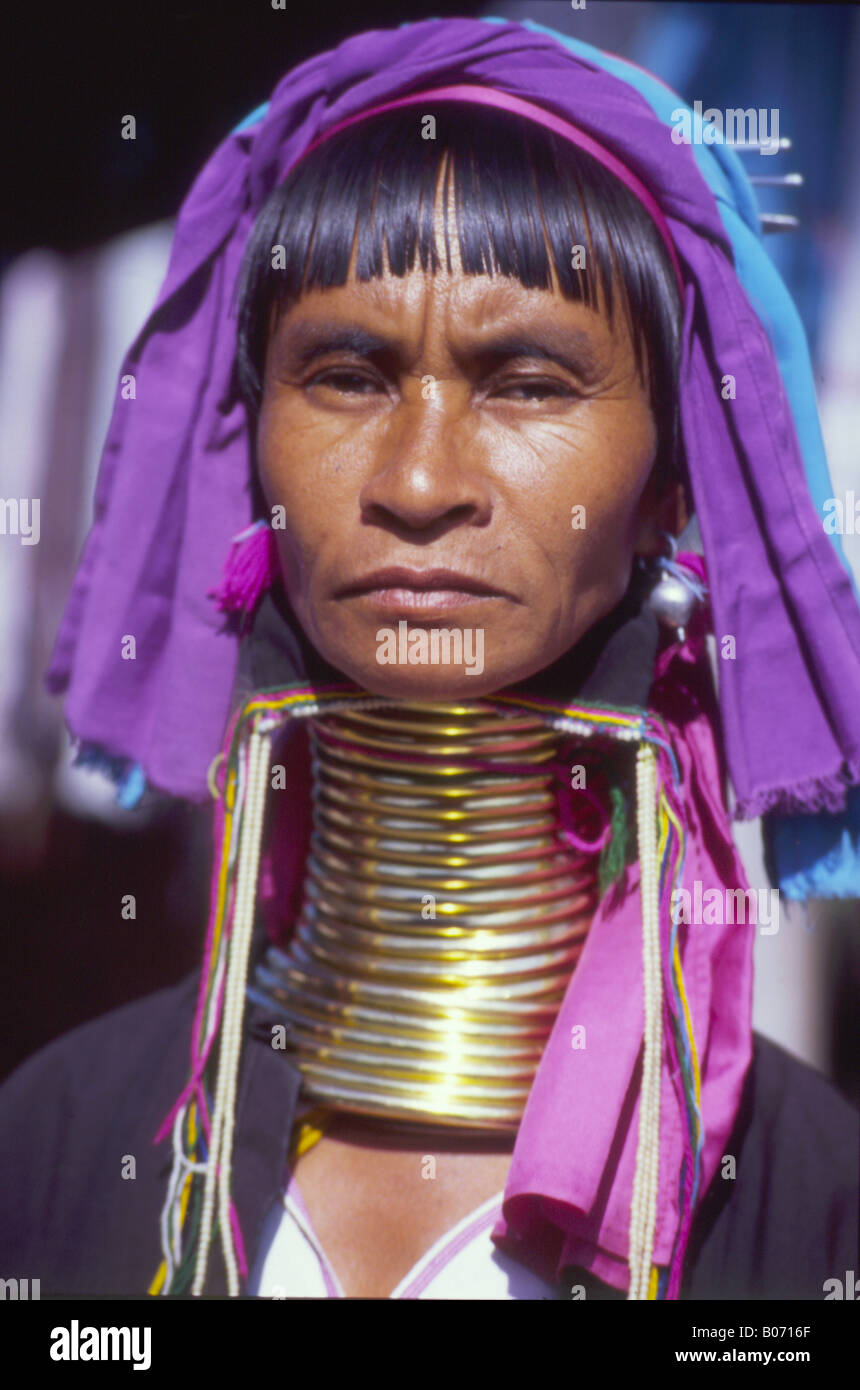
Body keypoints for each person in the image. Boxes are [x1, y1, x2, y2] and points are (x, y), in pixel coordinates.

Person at [1, 15, 858, 1302]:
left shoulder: (808, 1208)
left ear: (670, 482)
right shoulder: (59, 1143)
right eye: (345, 375)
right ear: (253, 444)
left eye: (524, 383)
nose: (414, 482)